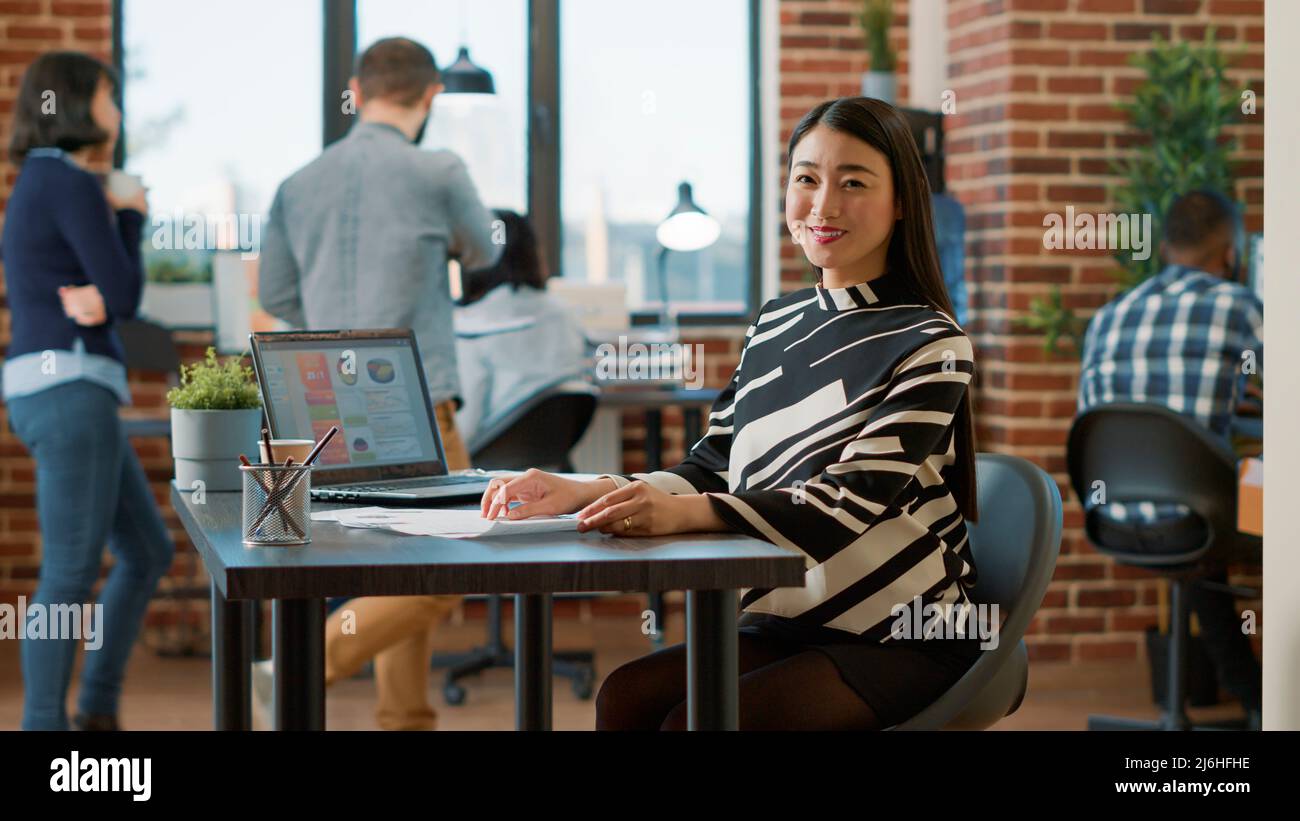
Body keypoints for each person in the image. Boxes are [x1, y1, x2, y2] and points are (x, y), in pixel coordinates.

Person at [481, 97, 983, 730]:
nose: (823, 205)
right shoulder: (777, 323)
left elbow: (848, 503)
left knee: (697, 720)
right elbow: (712, 466)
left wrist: (680, 512)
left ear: (903, 201)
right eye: (806, 179)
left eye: (853, 182)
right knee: (625, 697)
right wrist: (593, 489)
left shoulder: (932, 342)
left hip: (905, 629)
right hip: (792, 617)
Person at [257, 36, 500, 731]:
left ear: (357, 96)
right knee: (455, 566)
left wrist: (331, 348)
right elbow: (484, 248)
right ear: (432, 97)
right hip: (413, 404)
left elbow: (276, 289)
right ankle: (299, 666)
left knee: (404, 566)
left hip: (316, 411)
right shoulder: (439, 169)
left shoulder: (298, 183)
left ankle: (405, 718)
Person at [2, 52, 174, 731]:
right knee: (69, 572)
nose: (118, 111)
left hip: (55, 390)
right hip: (70, 388)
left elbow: (109, 298)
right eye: (109, 97)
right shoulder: (70, 183)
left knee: (147, 552)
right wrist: (130, 214)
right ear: (75, 103)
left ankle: (96, 705)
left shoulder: (38, 182)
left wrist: (103, 295)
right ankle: (44, 725)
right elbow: (126, 294)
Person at [1077, 189, 1264, 726]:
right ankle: (1270, 697)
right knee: (1264, 490)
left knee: (1204, 519)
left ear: (1165, 246)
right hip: (1199, 516)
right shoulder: (1240, 305)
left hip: (1113, 517)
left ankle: (1251, 697)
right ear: (1231, 253)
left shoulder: (1110, 315)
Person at [454, 210, 587, 448]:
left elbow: (465, 429)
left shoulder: (470, 324)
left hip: (489, 468)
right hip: (552, 463)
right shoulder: (562, 313)